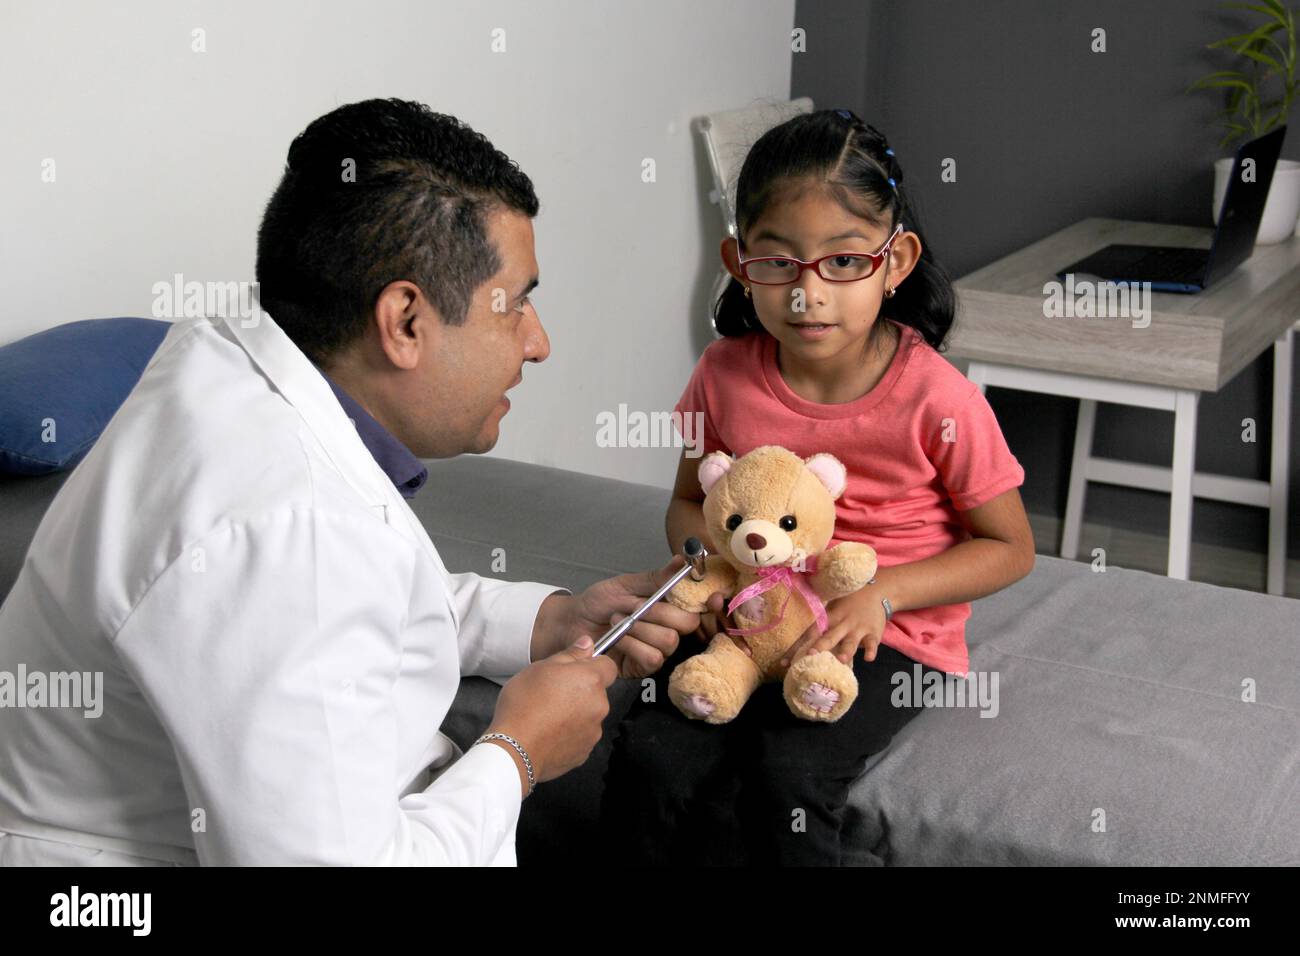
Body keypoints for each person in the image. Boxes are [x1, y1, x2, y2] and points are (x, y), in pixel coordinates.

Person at [0, 98, 700, 866]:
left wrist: (552, 619)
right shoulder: (284, 528)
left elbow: (367, 601)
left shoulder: (226, 365)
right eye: (516, 305)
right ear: (404, 321)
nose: (539, 344)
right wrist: (519, 753)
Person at [598, 108, 1036, 865]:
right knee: (653, 755)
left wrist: (881, 594)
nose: (809, 294)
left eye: (842, 262)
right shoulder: (723, 373)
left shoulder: (940, 400)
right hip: (747, 610)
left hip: (880, 628)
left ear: (896, 262)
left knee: (787, 775)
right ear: (740, 263)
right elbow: (688, 505)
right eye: (779, 263)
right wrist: (701, 571)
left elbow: (1011, 548)